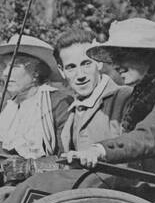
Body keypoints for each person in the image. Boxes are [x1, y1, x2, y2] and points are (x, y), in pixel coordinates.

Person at [64, 17, 155, 183]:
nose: (116, 66)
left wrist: (100, 150)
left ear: (148, 57)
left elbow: (146, 138)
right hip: (149, 181)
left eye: (122, 57)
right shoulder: (141, 97)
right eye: (114, 59)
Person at [0, 33, 69, 164]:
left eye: (14, 66)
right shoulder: (8, 109)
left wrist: (29, 168)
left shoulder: (58, 103)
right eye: (4, 66)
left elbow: (66, 162)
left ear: (36, 71)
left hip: (46, 182)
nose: (5, 73)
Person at [52, 25, 127, 154]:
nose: (80, 75)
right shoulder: (71, 108)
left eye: (86, 64)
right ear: (61, 71)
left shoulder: (123, 98)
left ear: (99, 62)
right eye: (71, 67)